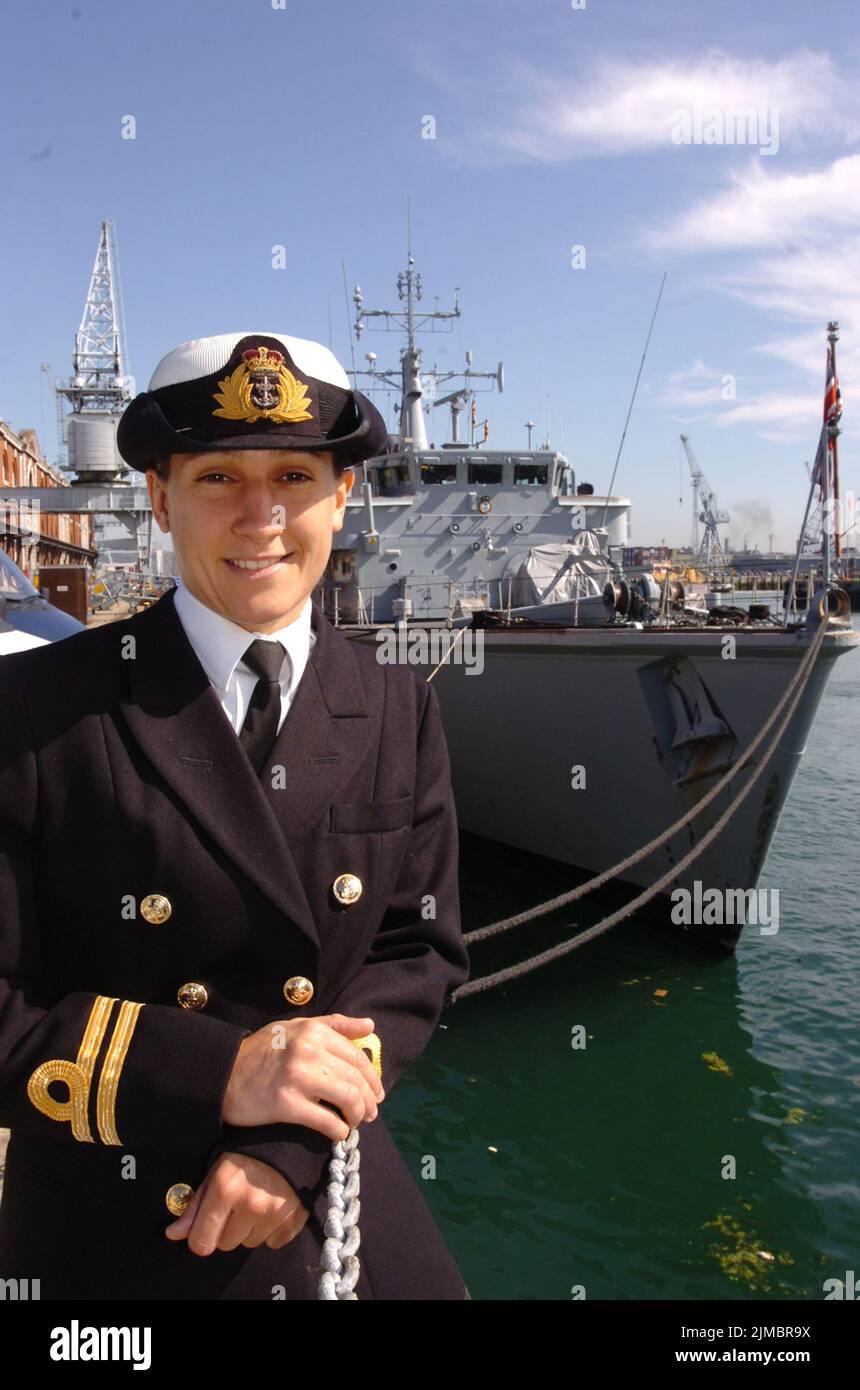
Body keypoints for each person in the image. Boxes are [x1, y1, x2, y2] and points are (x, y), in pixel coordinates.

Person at [0, 331, 471, 1299]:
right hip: (114, 1194)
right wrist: (218, 1074)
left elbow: (415, 956)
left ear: (340, 496)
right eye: (219, 477)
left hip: (319, 1176)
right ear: (161, 500)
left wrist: (285, 1138)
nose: (261, 515)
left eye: (295, 474)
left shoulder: (395, 704)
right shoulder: (38, 710)